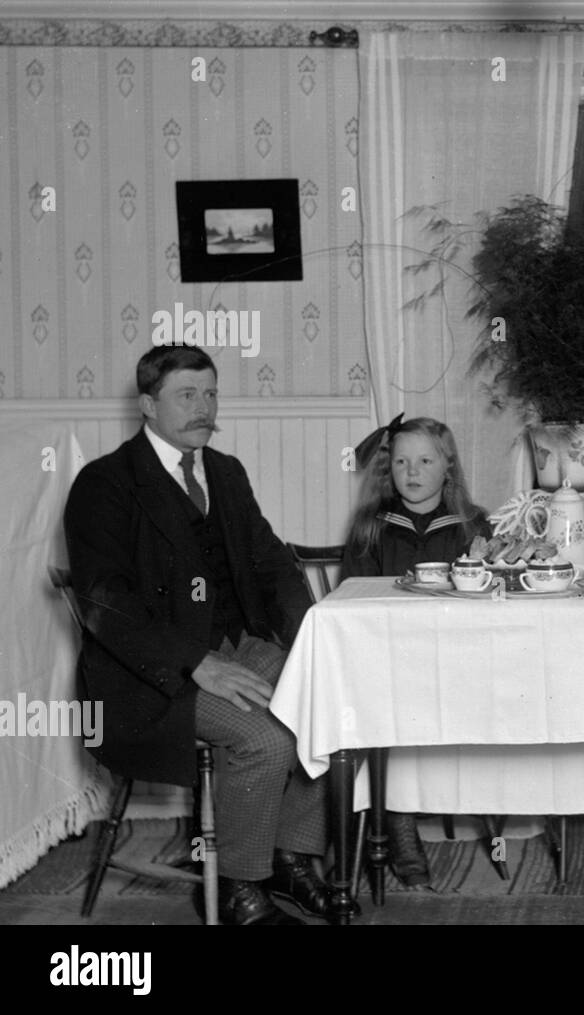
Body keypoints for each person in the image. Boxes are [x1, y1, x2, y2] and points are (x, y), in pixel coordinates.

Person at [64, 346, 333, 926]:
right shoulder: (105, 483)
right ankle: (242, 890)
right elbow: (105, 603)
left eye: (210, 394)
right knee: (265, 739)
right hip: (149, 678)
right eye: (187, 395)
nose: (203, 408)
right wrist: (196, 663)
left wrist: (312, 638)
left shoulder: (226, 473)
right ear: (147, 405)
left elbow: (272, 566)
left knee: (328, 702)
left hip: (240, 646)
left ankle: (291, 856)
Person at [340, 415, 493, 886]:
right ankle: (398, 825)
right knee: (394, 706)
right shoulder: (372, 526)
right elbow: (353, 604)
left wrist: (488, 562)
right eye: (402, 461)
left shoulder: (473, 524)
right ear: (389, 469)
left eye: (425, 460)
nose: (413, 471)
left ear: (447, 466)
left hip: (459, 659)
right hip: (391, 660)